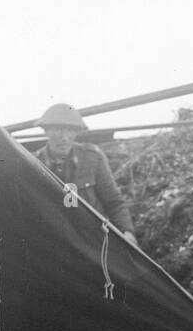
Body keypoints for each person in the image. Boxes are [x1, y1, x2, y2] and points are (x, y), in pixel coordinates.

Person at [34, 103, 137, 245]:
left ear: (77, 132)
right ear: (46, 131)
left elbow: (113, 202)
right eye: (58, 130)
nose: (64, 138)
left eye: (70, 130)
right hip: (54, 242)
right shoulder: (33, 163)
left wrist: (127, 231)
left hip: (93, 241)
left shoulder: (92, 157)